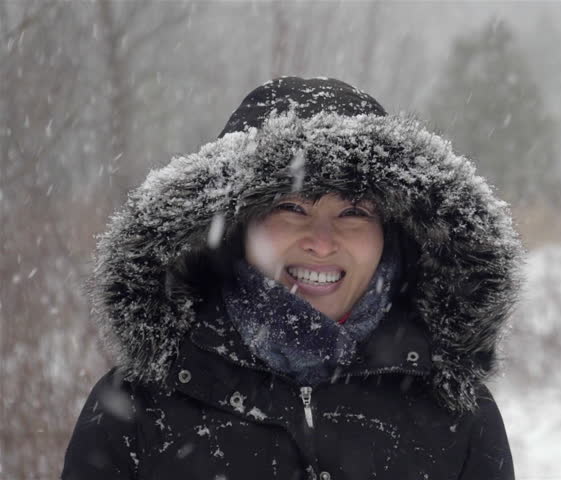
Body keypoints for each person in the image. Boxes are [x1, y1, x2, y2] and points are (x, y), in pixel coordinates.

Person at [62, 77, 523, 479]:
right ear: (235, 226)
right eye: (290, 207)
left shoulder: (458, 416)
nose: (321, 242)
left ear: (393, 233)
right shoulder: (137, 409)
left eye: (354, 211)